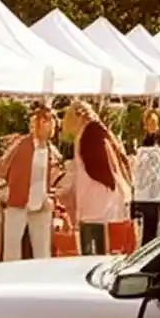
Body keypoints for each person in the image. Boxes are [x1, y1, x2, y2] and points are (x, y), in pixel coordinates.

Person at [61, 101, 132, 255]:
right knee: (102, 248)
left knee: (91, 250)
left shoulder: (87, 135)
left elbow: (87, 170)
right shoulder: (98, 132)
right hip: (103, 200)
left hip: (94, 202)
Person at [0, 102, 59, 261]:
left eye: (49, 122)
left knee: (42, 250)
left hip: (41, 203)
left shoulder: (51, 150)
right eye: (43, 122)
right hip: (18, 202)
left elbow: (54, 175)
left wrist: (50, 196)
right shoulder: (21, 145)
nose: (47, 126)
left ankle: (41, 279)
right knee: (12, 249)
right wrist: (6, 193)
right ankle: (11, 279)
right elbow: (1, 169)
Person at [132, 133, 160, 244]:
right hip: (155, 197)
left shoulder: (138, 154)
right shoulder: (159, 154)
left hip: (141, 196)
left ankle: (143, 249)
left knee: (145, 229)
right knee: (153, 229)